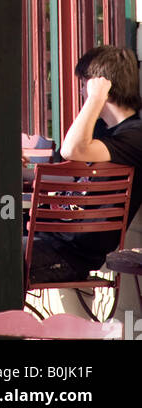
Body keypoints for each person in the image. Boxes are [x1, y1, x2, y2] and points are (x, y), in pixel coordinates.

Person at [28, 44, 142, 283]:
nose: (82, 91)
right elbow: (62, 170)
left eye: (85, 85)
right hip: (46, 239)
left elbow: (73, 149)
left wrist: (95, 98)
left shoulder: (134, 135)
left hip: (70, 255)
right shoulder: (100, 129)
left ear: (104, 88)